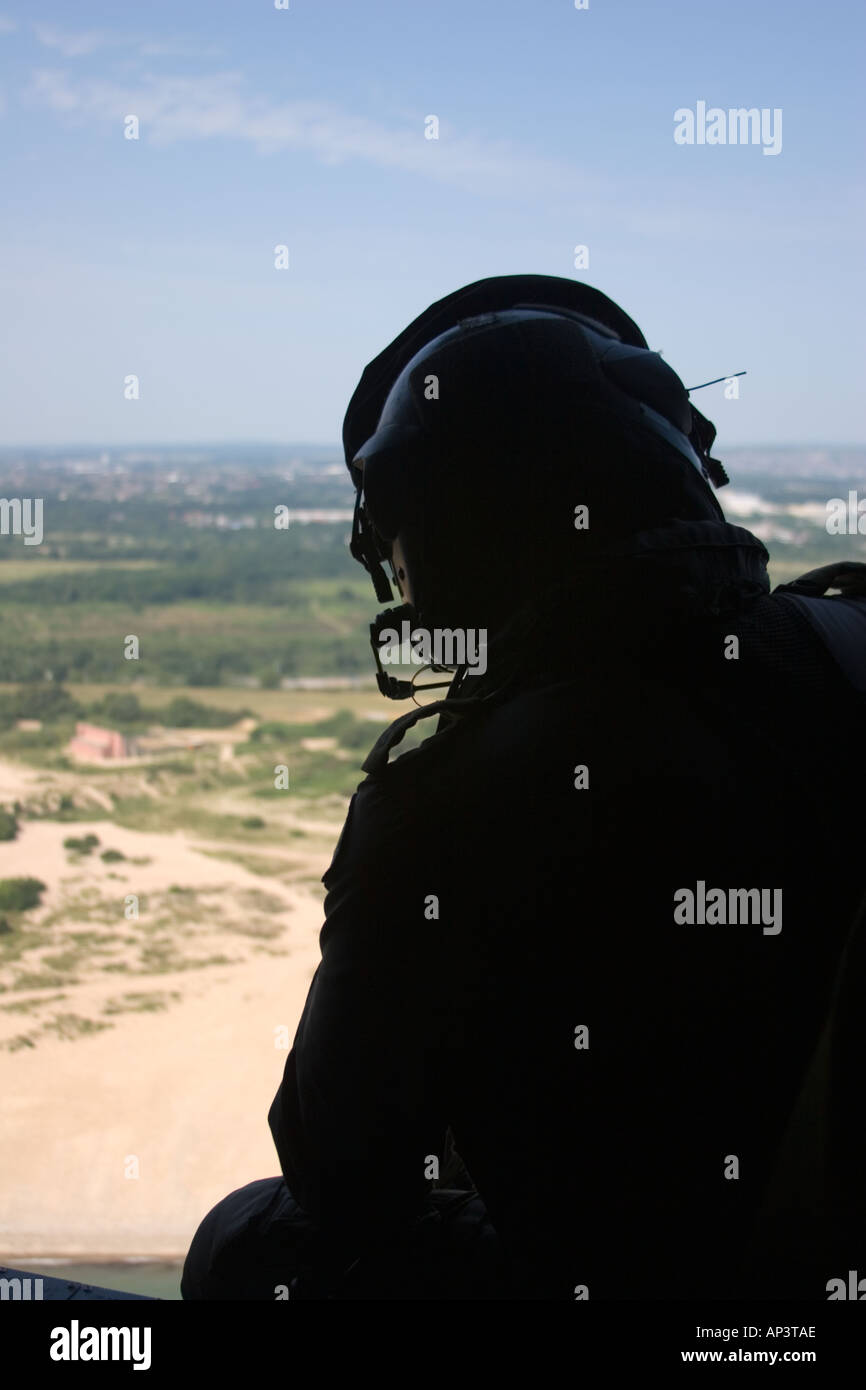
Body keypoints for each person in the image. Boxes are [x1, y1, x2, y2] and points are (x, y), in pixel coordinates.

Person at [182, 275, 866, 1300]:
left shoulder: (441, 802)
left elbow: (339, 1173)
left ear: (438, 552)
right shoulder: (846, 641)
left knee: (240, 1244)